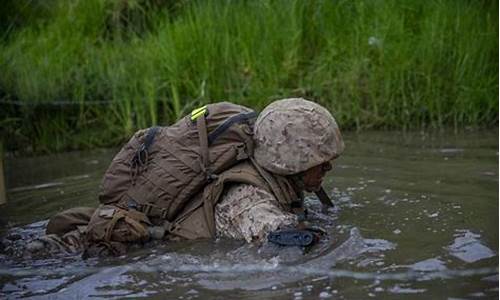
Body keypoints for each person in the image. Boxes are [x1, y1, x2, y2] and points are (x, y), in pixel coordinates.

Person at [24, 98, 344, 257]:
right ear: (291, 162)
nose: (328, 167)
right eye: (321, 161)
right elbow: (279, 236)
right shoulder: (248, 197)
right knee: (32, 254)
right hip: (87, 253)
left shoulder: (274, 176)